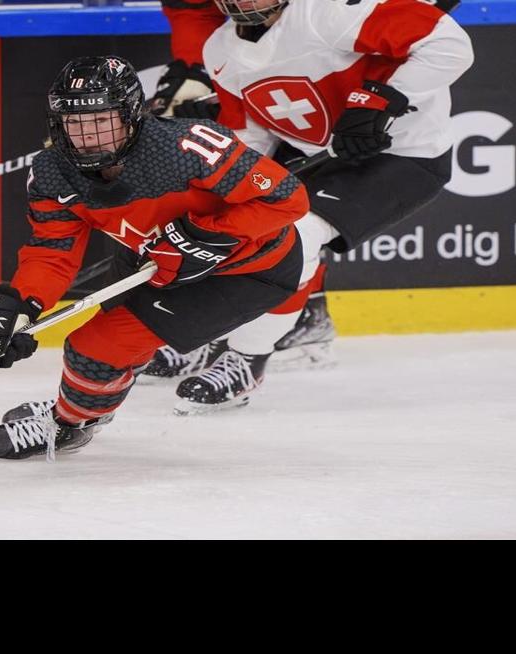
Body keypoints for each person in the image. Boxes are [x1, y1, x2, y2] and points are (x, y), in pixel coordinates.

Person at [139, 0, 474, 415]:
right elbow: (253, 136)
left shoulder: (329, 13)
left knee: (295, 237)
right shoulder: (220, 52)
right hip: (326, 157)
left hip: (405, 155)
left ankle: (247, 360)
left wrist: (382, 99)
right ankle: (200, 335)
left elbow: (449, 43)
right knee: (219, 222)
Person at [0, 55, 309, 459]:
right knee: (103, 358)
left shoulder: (187, 147)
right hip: (153, 261)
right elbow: (51, 252)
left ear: (131, 114)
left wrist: (203, 234)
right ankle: (91, 403)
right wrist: (23, 304)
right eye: (74, 122)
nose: (87, 135)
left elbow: (287, 197)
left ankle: (68, 424)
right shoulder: (51, 173)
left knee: (94, 348)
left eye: (101, 120)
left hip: (247, 269)